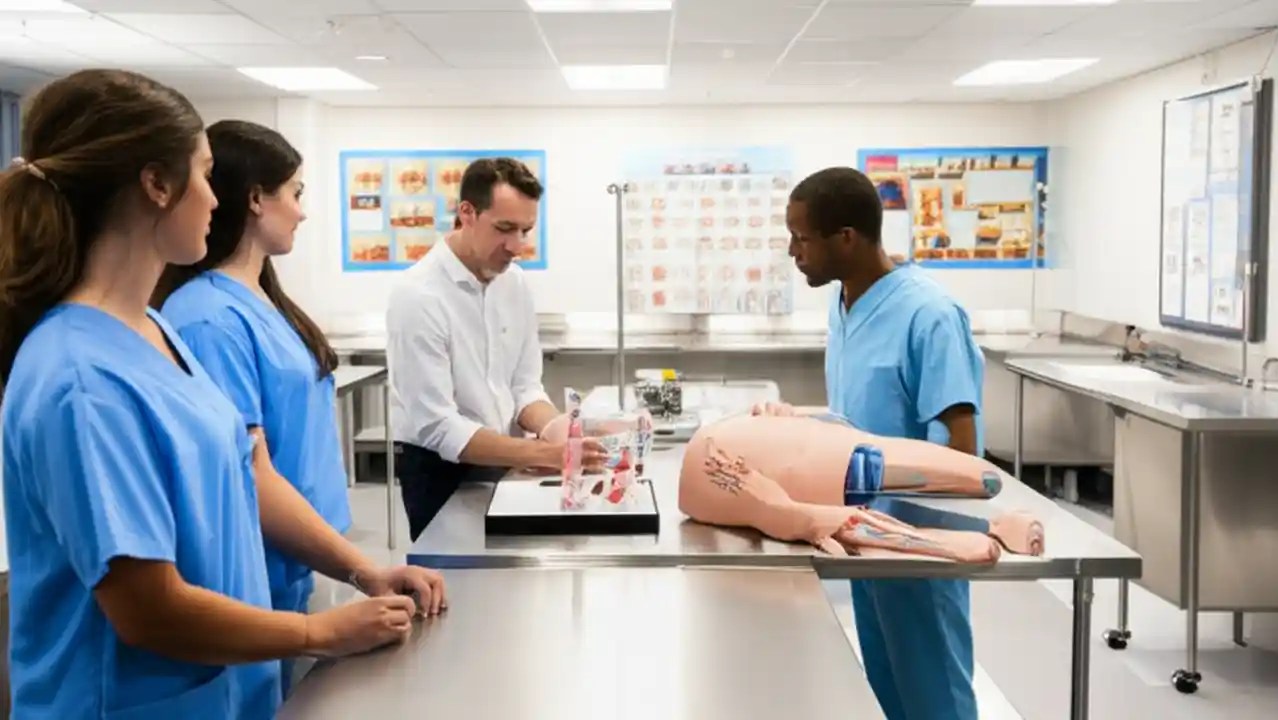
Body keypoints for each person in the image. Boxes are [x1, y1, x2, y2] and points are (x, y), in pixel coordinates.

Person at [0, 69, 441, 720]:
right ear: (157, 185)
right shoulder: (82, 379)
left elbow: (250, 471)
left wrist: (362, 572)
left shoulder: (156, 331)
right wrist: (319, 633)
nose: (215, 198)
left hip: (225, 693)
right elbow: (149, 610)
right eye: (205, 174)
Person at [153, 119, 438, 696]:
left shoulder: (260, 299)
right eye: (296, 193)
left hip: (293, 561)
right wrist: (363, 571)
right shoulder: (209, 319)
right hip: (252, 568)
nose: (303, 212)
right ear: (257, 198)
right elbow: (251, 476)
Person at [767, 166, 987, 720]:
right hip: (863, 533)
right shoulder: (844, 303)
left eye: (801, 238)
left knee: (935, 695)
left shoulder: (929, 316)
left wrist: (909, 527)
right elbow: (858, 418)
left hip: (918, 544)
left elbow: (960, 447)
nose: (793, 251)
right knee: (887, 688)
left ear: (846, 237)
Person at [386, 157, 603, 541]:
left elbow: (524, 387)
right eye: (504, 229)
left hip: (506, 456)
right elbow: (438, 426)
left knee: (509, 566)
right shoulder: (418, 296)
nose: (516, 246)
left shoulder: (513, 284)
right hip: (440, 470)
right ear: (466, 213)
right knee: (455, 571)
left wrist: (557, 431)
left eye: (525, 230)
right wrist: (543, 454)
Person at [675, 413, 1044, 559]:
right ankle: (991, 529)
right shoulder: (710, 478)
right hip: (802, 468)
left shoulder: (718, 447)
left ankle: (991, 529)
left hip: (815, 451)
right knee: (849, 509)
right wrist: (793, 515)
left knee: (978, 478)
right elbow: (785, 514)